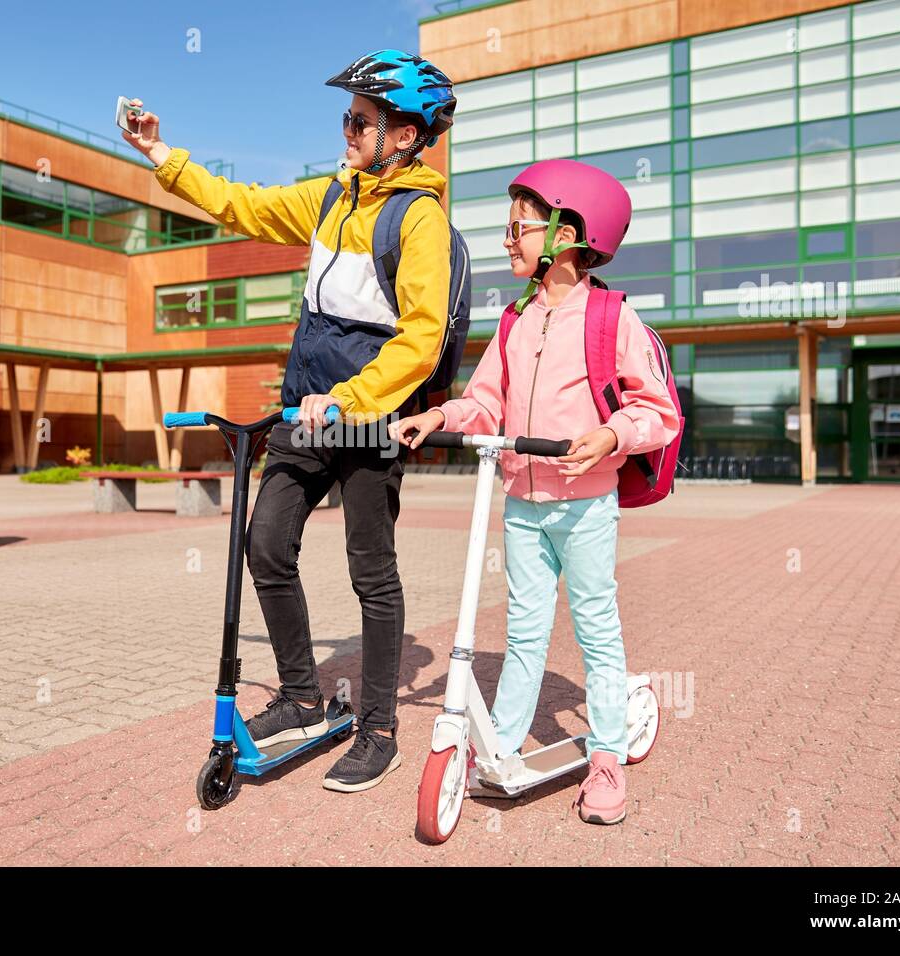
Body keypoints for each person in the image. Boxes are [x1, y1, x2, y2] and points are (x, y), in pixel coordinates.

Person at [120, 50, 457, 792]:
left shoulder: (420, 219)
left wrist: (349, 401)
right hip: (302, 408)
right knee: (265, 543)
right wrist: (161, 155)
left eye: (360, 120)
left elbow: (421, 337)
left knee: (372, 572)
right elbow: (246, 204)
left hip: (367, 419)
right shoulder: (332, 198)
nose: (346, 129)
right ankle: (303, 695)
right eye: (346, 117)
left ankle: (379, 728)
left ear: (403, 137)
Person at [389, 159, 680, 823]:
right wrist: (440, 416)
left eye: (518, 227)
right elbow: (485, 400)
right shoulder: (517, 321)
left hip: (584, 506)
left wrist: (610, 436)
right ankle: (507, 743)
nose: (507, 240)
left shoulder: (609, 318)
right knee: (524, 632)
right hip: (522, 504)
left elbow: (656, 409)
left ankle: (607, 756)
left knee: (596, 628)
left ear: (566, 233)